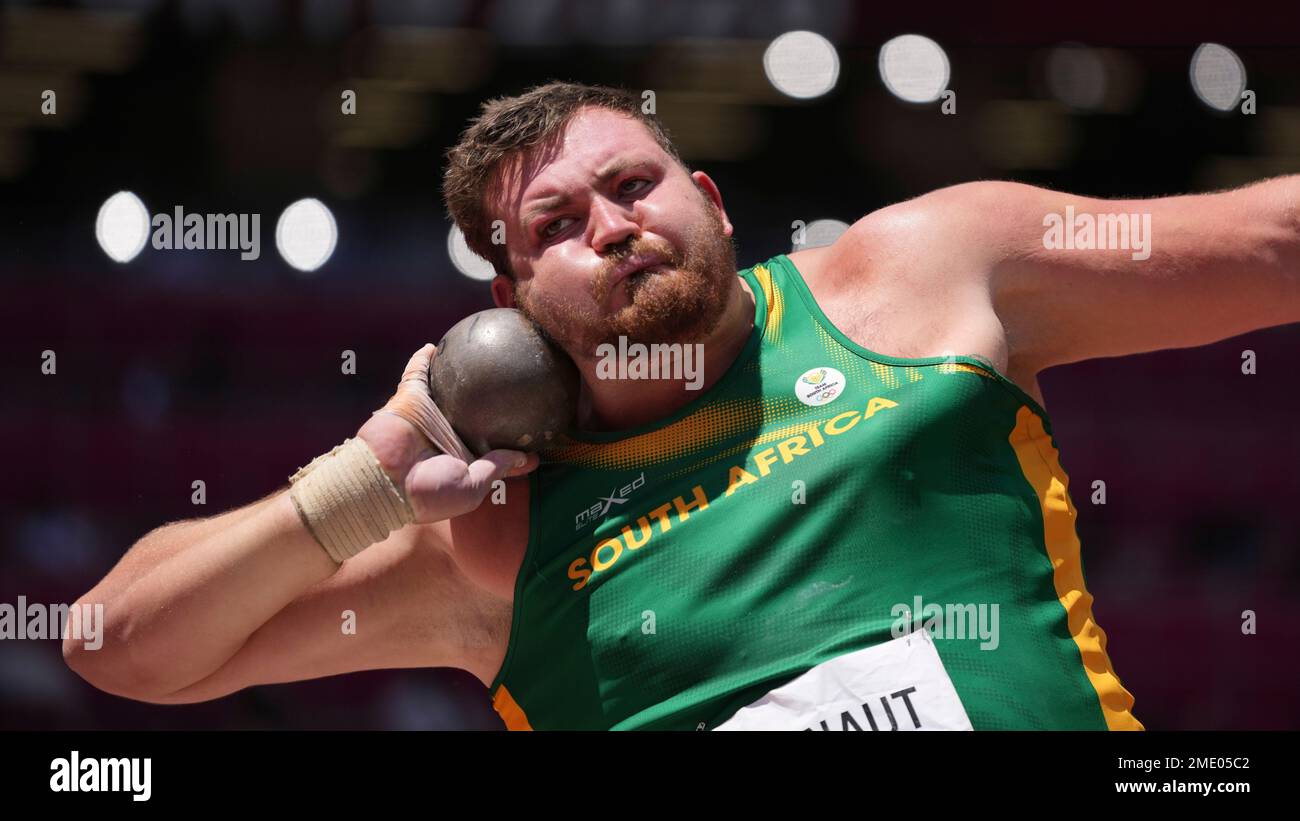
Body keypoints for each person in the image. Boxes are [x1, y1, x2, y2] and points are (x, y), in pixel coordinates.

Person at [65, 81, 1300, 730]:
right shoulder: (490, 536)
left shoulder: (924, 272)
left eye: (632, 184)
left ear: (706, 197)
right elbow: (120, 647)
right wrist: (370, 471)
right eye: (556, 225)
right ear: (508, 296)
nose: (610, 226)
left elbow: (1272, 236)